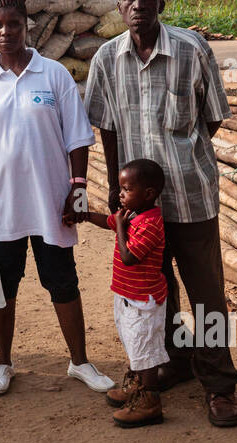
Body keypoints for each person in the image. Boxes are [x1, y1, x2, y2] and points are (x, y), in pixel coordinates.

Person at [83, 0, 237, 427]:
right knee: (157, 294)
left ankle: (219, 385)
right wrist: (119, 191)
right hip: (140, 208)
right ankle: (174, 361)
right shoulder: (106, 59)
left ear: (162, 2)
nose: (138, 6)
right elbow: (107, 127)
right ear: (119, 8)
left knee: (206, 294)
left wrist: (181, 154)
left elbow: (211, 119)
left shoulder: (192, 50)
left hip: (191, 196)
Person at [0, 0, 115, 396]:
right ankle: (2, 364)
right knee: (2, 288)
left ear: (26, 26)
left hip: (51, 203)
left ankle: (80, 362)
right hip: (1, 206)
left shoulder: (55, 74)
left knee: (63, 282)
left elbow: (78, 138)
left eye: (13, 24)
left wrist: (77, 188)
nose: (6, 31)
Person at [69, 158, 169, 428]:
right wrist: (86, 216)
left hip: (143, 302)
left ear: (148, 194)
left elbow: (129, 257)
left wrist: (122, 228)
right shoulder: (133, 214)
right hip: (127, 296)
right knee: (134, 344)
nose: (120, 194)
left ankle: (150, 402)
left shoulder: (150, 223)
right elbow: (110, 221)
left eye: (127, 189)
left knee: (144, 350)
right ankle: (137, 385)